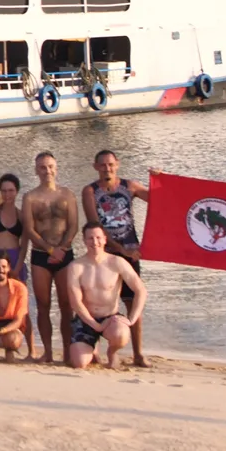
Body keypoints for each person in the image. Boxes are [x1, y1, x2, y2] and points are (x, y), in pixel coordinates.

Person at [82, 149, 151, 366]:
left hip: (131, 252)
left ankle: (138, 353)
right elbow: (95, 226)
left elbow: (159, 200)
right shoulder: (90, 191)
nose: (107, 169)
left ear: (117, 164)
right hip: (103, 253)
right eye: (102, 165)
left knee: (133, 302)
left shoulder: (130, 187)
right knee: (97, 301)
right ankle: (95, 349)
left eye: (110, 164)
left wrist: (159, 179)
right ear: (96, 167)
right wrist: (119, 249)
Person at [59, 224, 146, 368]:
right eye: (90, 238)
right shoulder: (76, 266)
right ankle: (93, 348)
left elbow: (140, 290)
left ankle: (112, 352)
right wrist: (96, 326)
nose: (95, 242)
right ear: (84, 240)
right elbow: (76, 303)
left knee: (121, 335)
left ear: (105, 239)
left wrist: (131, 319)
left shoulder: (117, 262)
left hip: (110, 318)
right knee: (79, 363)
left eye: (98, 238)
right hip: (86, 320)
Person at [21, 151, 80, 364]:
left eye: (50, 166)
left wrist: (61, 248)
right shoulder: (30, 197)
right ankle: (47, 351)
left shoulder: (67, 195)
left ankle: (67, 351)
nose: (47, 171)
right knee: (43, 305)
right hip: (40, 255)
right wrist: (50, 250)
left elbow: (73, 225)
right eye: (43, 167)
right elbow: (29, 229)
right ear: (36, 170)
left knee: (67, 305)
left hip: (65, 254)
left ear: (56, 168)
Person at [0, 173, 27, 279]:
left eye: (11, 190)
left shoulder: (21, 216)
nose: (7, 194)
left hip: (15, 260)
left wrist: (17, 269)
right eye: (4, 191)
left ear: (17, 191)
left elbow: (24, 247)